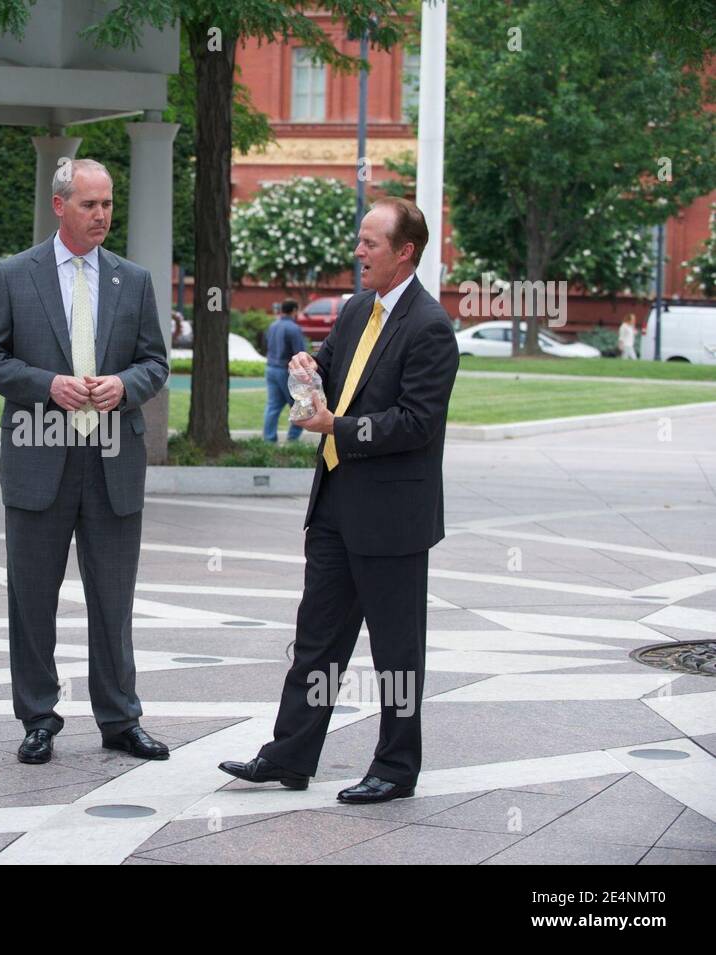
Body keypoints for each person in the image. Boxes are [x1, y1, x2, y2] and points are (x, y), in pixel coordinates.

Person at [219, 197, 459, 804]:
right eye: (359, 240)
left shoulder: (430, 327)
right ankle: (291, 756)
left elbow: (416, 422)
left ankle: (396, 768)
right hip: (333, 507)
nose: (358, 252)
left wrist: (338, 429)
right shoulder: (355, 310)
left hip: (392, 519)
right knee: (317, 641)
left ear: (404, 253)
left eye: (370, 243)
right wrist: (305, 371)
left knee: (395, 652)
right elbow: (326, 378)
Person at [0, 158, 170, 765]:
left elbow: (155, 363)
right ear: (60, 206)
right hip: (39, 456)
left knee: (114, 598)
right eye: (90, 205)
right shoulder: (13, 275)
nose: (103, 216)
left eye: (108, 204)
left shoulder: (132, 280)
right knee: (32, 597)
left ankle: (120, 718)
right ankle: (38, 717)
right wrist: (47, 385)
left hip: (112, 461)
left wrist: (126, 386)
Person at [262, 300, 307, 443]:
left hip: (271, 368)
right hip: (286, 371)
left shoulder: (273, 326)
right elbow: (299, 353)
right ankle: (293, 438)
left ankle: (269, 440)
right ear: (294, 310)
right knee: (300, 405)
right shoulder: (293, 328)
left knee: (273, 406)